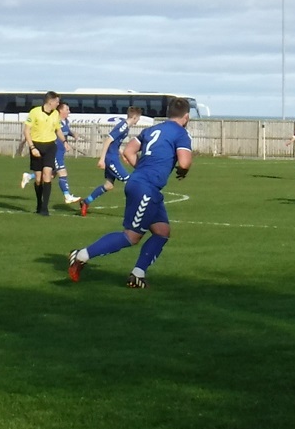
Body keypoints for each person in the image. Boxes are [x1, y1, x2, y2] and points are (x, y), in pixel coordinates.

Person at [68, 97, 193, 288]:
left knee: (162, 231)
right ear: (186, 117)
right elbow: (184, 162)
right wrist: (183, 170)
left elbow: (128, 151)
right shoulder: (181, 133)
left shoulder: (151, 130)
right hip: (146, 188)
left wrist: (141, 170)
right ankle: (81, 255)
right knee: (131, 236)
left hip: (147, 186)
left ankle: (137, 274)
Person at [79, 106, 142, 214]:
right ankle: (135, 209)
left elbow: (115, 144)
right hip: (111, 160)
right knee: (129, 181)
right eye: (138, 118)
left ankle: (86, 201)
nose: (139, 120)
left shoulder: (125, 127)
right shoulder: (123, 126)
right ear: (135, 117)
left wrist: (122, 154)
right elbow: (108, 140)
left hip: (113, 158)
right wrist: (102, 159)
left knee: (108, 185)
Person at [23, 92, 62, 216]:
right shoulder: (34, 112)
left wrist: (64, 141)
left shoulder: (56, 114)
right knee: (38, 179)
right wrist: (32, 147)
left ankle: (45, 208)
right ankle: (39, 204)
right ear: (50, 101)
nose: (58, 104)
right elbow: (26, 131)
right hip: (36, 146)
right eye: (57, 101)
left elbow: (58, 129)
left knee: (47, 174)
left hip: (50, 146)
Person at [53, 102, 81, 205]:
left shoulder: (66, 121)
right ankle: (67, 196)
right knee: (63, 173)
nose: (69, 111)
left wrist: (73, 134)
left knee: (50, 175)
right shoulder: (55, 122)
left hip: (61, 152)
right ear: (61, 110)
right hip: (55, 152)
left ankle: (29, 176)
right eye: (67, 109)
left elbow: (67, 131)